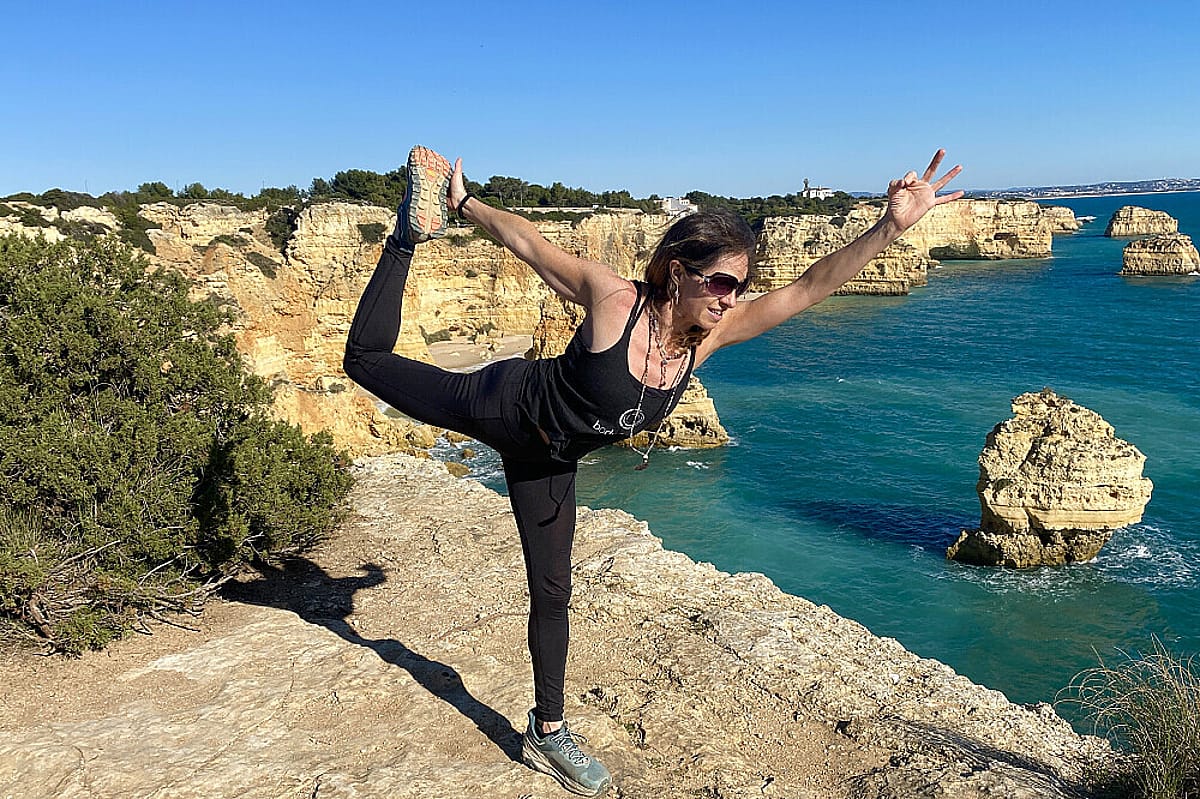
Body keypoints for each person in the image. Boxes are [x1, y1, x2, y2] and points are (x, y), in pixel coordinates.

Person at [343, 145, 962, 796]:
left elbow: (808, 288)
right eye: (721, 282)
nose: (731, 299)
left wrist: (890, 226)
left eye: (740, 287)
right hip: (501, 405)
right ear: (676, 272)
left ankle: (547, 732)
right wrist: (464, 204)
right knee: (365, 360)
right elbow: (530, 243)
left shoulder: (706, 340)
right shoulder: (615, 302)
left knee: (553, 593)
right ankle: (405, 238)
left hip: (551, 462)